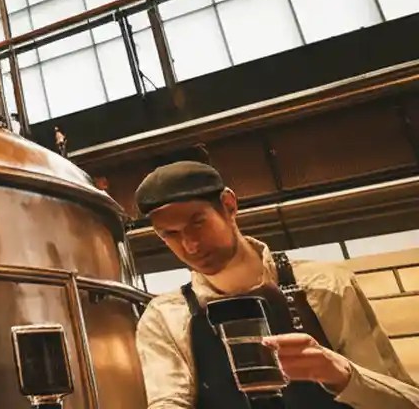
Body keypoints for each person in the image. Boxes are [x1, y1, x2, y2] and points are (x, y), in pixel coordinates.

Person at [134, 160, 419, 408]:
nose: (190, 245)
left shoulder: (324, 284)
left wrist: (342, 374)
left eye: (198, 223)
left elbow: (406, 401)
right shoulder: (165, 317)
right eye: (170, 234)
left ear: (229, 206)